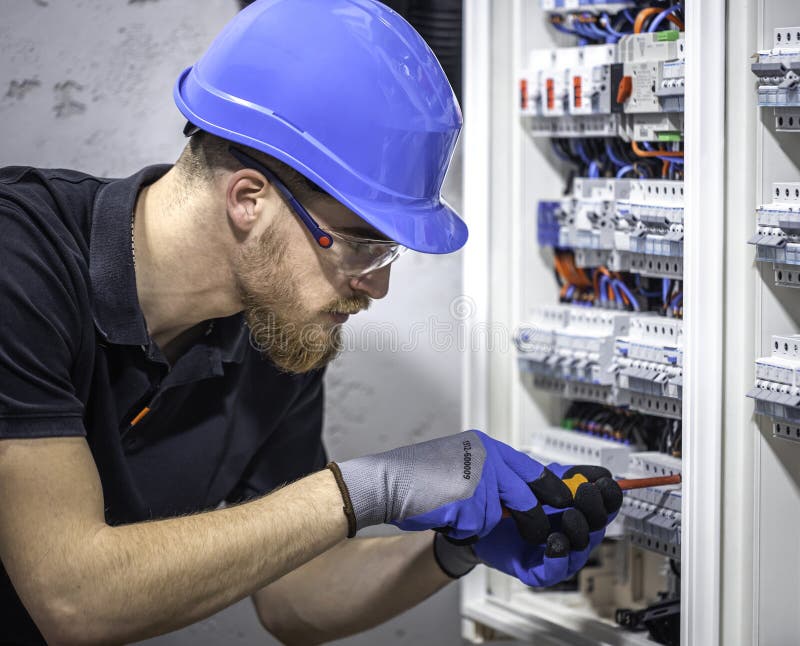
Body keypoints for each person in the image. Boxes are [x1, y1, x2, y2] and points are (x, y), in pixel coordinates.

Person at [0, 1, 621, 644]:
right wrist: (375, 487)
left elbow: (294, 598)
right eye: (361, 244)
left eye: (390, 252)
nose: (377, 286)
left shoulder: (273, 331)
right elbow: (73, 598)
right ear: (249, 199)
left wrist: (454, 550)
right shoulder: (21, 266)